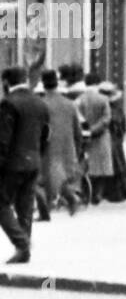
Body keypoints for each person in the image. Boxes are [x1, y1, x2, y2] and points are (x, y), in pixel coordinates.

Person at [0, 67, 49, 264]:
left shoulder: (8, 104)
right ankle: (23, 249)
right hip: (34, 161)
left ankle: (22, 244)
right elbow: (46, 135)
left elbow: (3, 140)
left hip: (13, 163)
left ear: (6, 83)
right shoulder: (40, 103)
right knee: (25, 205)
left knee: (1, 203)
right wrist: (38, 155)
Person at [42, 70, 83, 214]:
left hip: (48, 146)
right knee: (61, 177)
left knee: (47, 177)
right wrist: (78, 147)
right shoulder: (69, 104)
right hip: (67, 146)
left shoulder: (42, 104)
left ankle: (49, 206)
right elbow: (77, 130)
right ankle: (68, 199)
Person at [78, 75, 114, 204]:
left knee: (86, 167)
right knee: (102, 168)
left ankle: (86, 193)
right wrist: (94, 129)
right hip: (101, 136)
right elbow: (106, 119)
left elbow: (77, 119)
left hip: (84, 138)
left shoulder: (79, 100)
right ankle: (98, 193)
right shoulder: (103, 99)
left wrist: (86, 131)